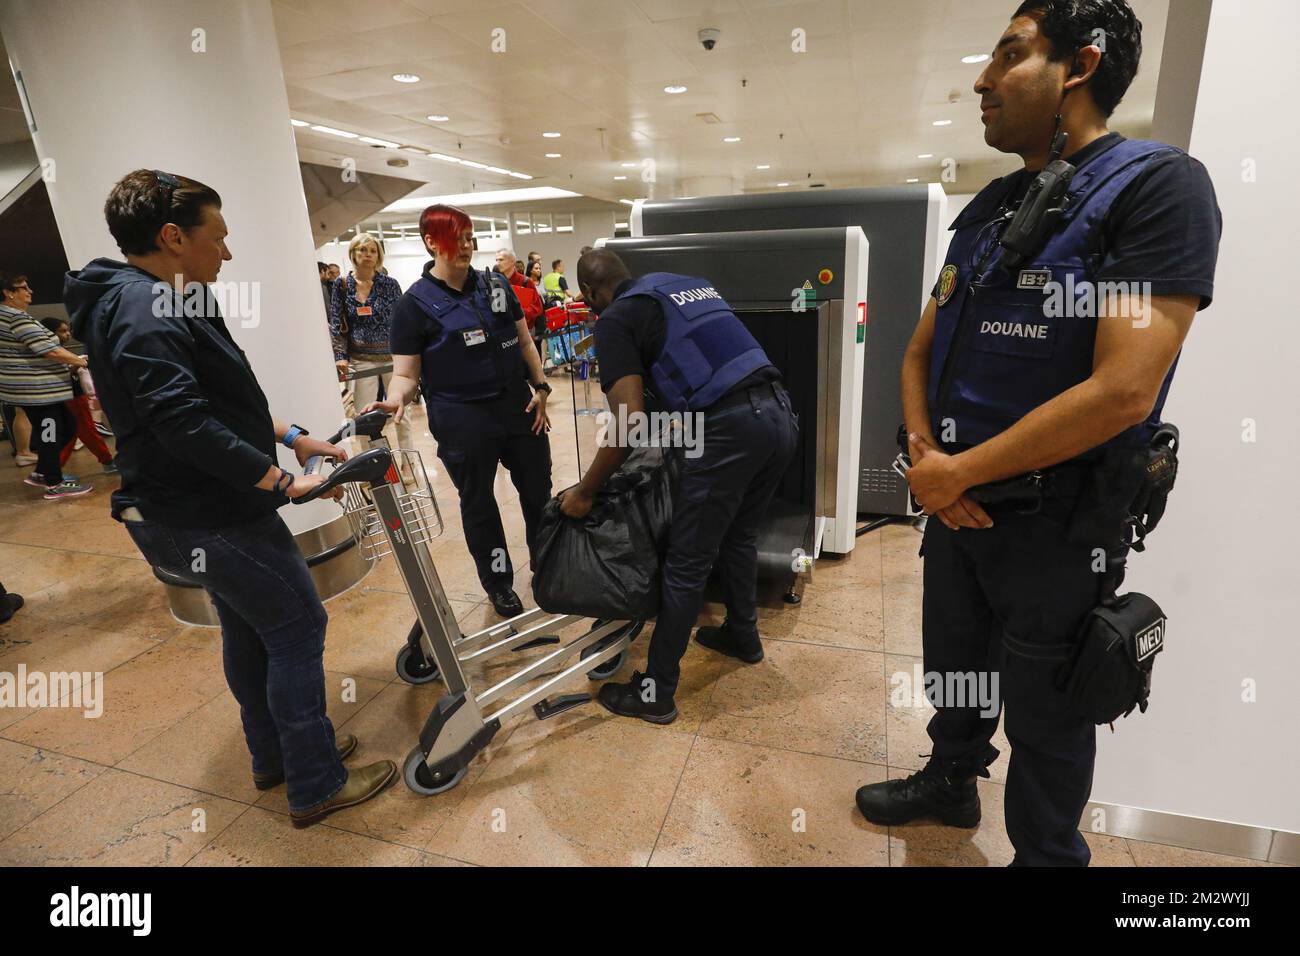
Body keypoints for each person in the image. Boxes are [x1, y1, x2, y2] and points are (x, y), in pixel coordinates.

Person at [852, 0, 1222, 867]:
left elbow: (1124, 390)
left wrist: (956, 472)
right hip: (954, 505)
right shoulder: (989, 208)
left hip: (1058, 525)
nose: (982, 81)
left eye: (1008, 56)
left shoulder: (1157, 188)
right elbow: (919, 346)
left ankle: (1048, 855)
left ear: (1080, 68)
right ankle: (951, 780)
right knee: (956, 664)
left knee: (1048, 711)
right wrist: (926, 460)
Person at [64, 169, 396, 827]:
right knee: (298, 625)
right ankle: (316, 781)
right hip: (206, 513)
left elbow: (215, 402)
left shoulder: (159, 297)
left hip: (202, 509)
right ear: (171, 237)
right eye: (218, 237)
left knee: (252, 626)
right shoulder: (143, 308)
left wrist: (294, 437)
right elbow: (182, 423)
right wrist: (279, 481)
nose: (228, 251)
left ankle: (278, 754)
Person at [561, 250, 798, 724]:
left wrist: (586, 490)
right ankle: (742, 636)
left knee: (686, 562)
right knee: (740, 536)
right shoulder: (683, 283)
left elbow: (628, 418)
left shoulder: (614, 319)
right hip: (780, 415)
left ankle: (657, 692)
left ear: (589, 295)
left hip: (730, 430)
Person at [369, 204, 553, 618]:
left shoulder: (496, 286)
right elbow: (405, 373)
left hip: (517, 405)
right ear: (432, 242)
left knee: (539, 493)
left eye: (471, 237)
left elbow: (524, 343)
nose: (467, 246)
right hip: (462, 417)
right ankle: (499, 583)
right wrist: (396, 398)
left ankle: (549, 565)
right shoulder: (414, 305)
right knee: (479, 503)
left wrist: (541, 387)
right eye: (459, 238)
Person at [0, 272, 91, 499]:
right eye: (23, 287)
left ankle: (44, 472)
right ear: (8, 293)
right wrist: (80, 360)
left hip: (37, 390)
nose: (29, 291)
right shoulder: (15, 318)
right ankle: (54, 482)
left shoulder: (9, 316)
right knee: (52, 432)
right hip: (38, 391)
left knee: (64, 426)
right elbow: (48, 349)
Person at [328, 233, 409, 449]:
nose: (368, 255)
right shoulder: (342, 284)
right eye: (362, 250)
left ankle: (408, 463)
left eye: (373, 251)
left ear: (379, 255)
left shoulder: (390, 284)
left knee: (401, 412)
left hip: (393, 357)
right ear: (353, 253)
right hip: (361, 359)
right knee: (364, 415)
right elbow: (337, 323)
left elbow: (403, 320)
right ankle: (370, 466)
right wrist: (339, 357)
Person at [38, 318, 117, 475]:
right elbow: (59, 374)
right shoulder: (54, 352)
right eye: (62, 331)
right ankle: (51, 471)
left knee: (71, 433)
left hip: (61, 396)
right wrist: (76, 365)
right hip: (71, 397)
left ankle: (50, 469)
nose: (67, 334)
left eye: (67, 331)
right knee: (82, 431)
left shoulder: (52, 350)